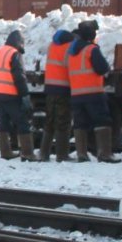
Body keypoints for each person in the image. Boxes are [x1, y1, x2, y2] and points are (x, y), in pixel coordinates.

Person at [66, 19, 117, 162]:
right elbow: (102, 68)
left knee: (80, 123)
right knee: (102, 121)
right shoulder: (92, 49)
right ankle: (105, 153)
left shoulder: (72, 51)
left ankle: (81, 154)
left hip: (76, 94)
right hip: (93, 93)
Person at [0, 29, 35, 160]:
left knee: (3, 123)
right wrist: (25, 95)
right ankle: (28, 154)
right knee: (23, 123)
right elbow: (19, 77)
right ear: (19, 42)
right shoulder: (14, 54)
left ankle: (5, 152)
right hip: (11, 94)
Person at [39, 27, 76, 161]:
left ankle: (44, 153)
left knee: (49, 121)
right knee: (63, 122)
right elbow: (69, 65)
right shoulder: (69, 47)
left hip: (50, 88)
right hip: (63, 88)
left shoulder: (52, 46)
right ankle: (62, 154)